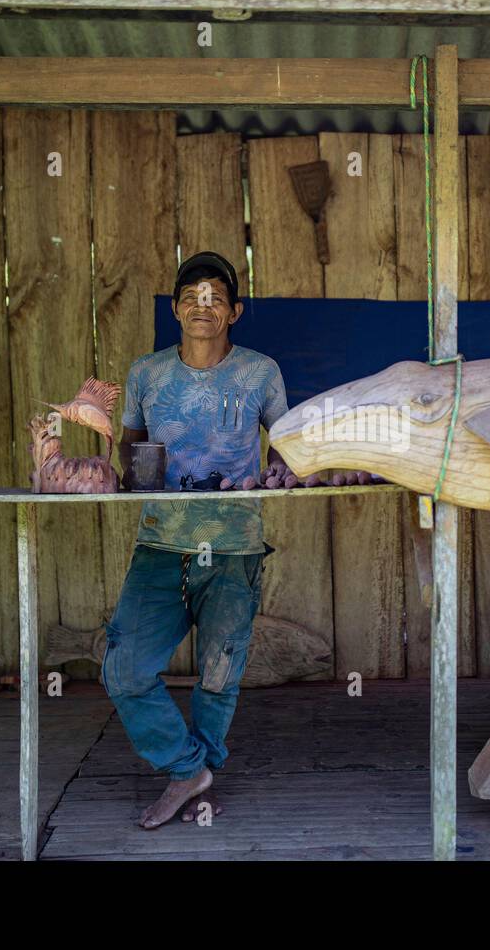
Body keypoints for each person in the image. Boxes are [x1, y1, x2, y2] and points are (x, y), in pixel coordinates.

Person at [104, 250, 289, 829]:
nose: (201, 306)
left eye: (214, 297)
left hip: (234, 546)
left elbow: (286, 444)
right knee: (124, 668)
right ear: (176, 309)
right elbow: (130, 451)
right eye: (190, 296)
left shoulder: (261, 372)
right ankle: (187, 769)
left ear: (233, 311)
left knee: (218, 676)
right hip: (161, 542)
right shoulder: (147, 373)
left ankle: (194, 782)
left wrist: (279, 468)